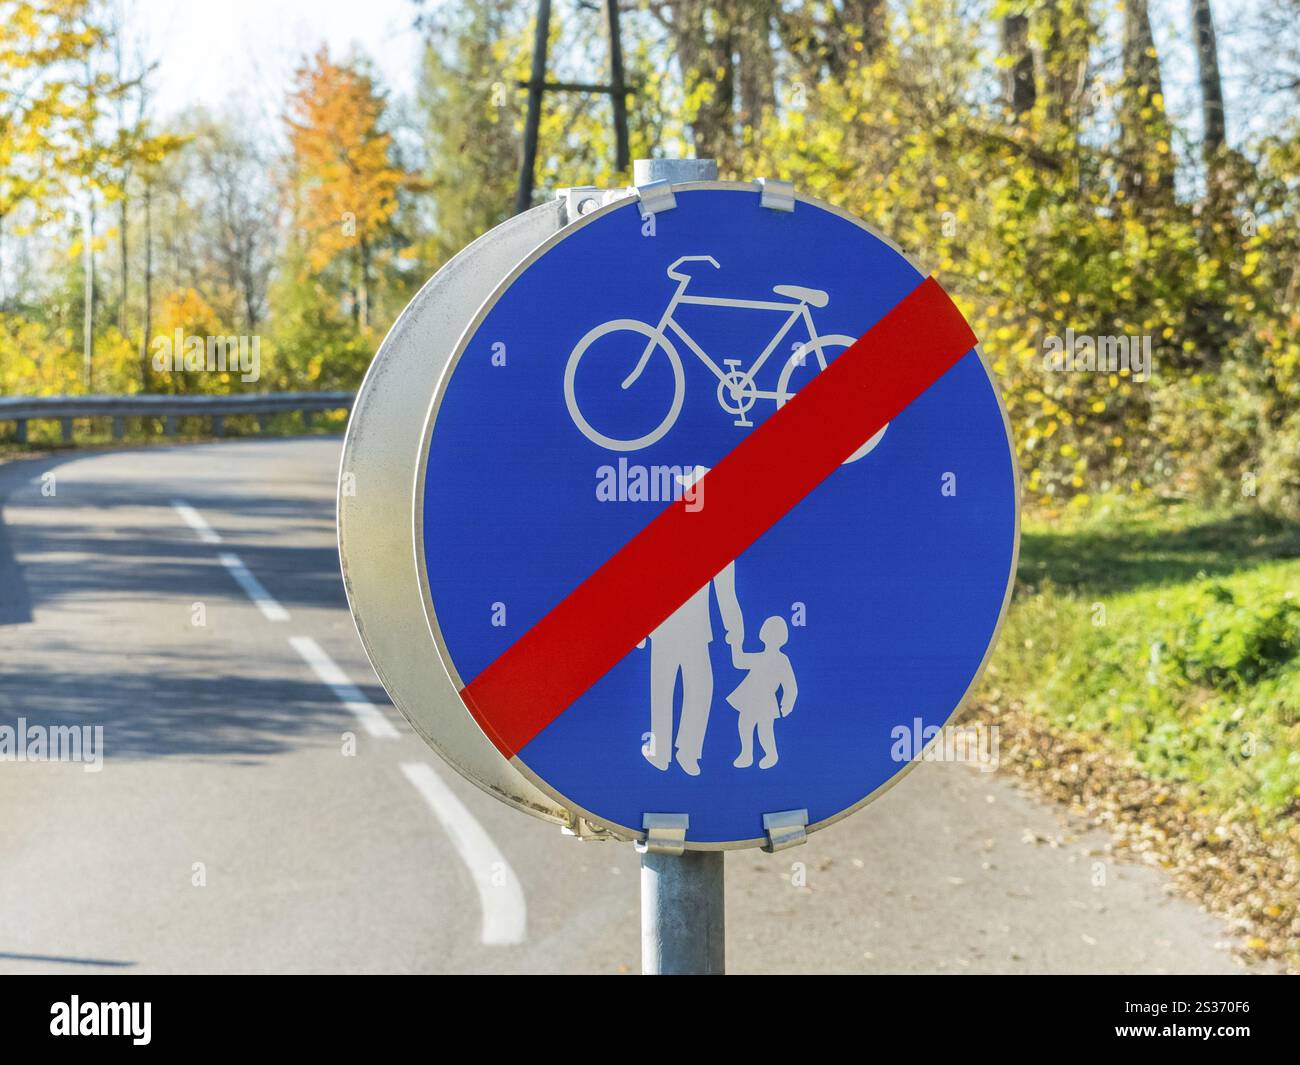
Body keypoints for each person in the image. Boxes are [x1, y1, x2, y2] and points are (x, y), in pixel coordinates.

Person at [727, 616, 797, 769]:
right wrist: (735, 643)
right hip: (749, 698)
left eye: (774, 634)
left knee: (765, 729)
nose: (771, 637)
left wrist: (787, 703)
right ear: (763, 635)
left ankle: (771, 754)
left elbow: (790, 686)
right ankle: (746, 754)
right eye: (769, 632)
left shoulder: (782, 660)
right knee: (744, 725)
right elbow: (738, 662)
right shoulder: (760, 657)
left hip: (766, 701)